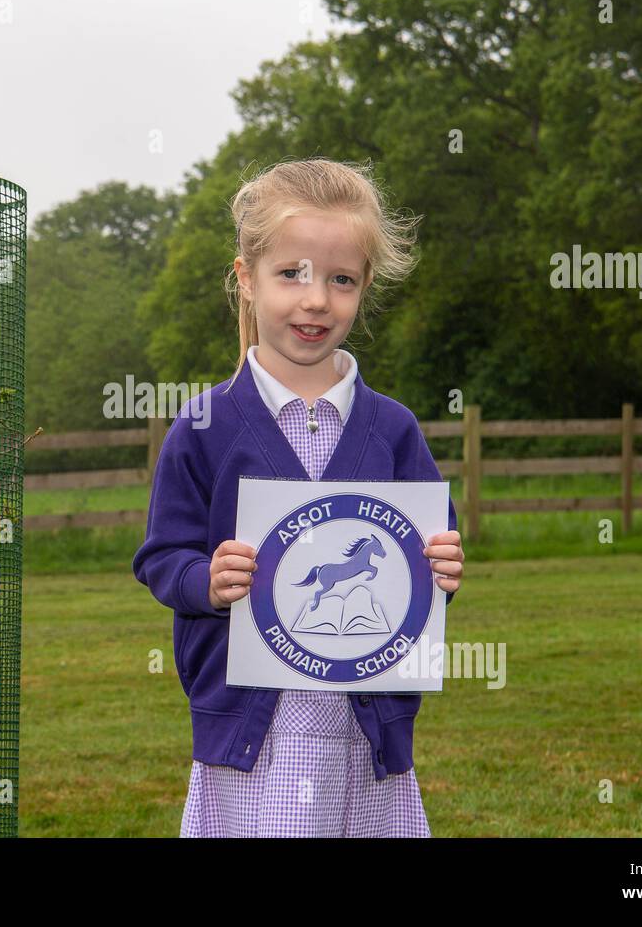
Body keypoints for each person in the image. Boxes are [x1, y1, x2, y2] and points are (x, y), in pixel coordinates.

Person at [132, 157, 466, 837]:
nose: (316, 299)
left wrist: (443, 567)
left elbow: (430, 556)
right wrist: (207, 579)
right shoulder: (203, 428)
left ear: (363, 287)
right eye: (292, 274)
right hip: (254, 743)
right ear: (246, 279)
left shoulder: (394, 429)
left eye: (340, 279)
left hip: (364, 737)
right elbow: (162, 557)